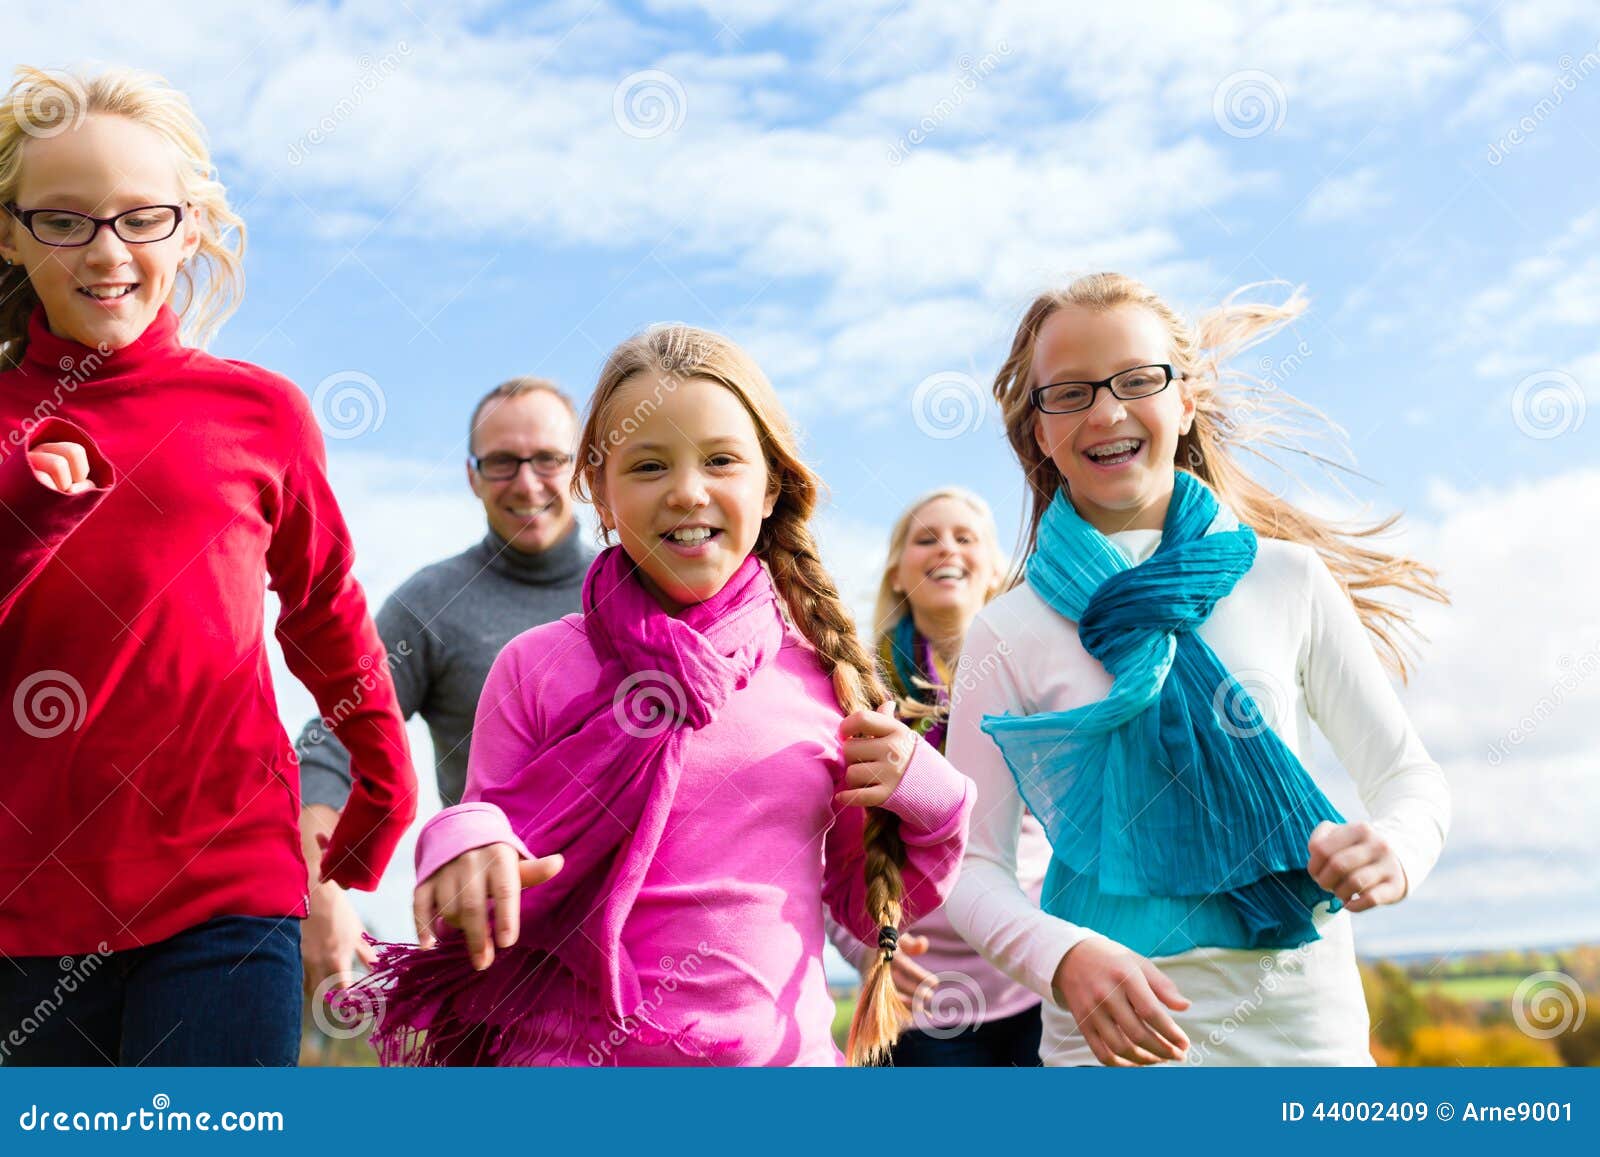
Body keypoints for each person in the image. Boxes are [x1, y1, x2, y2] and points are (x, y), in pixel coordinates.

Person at [336, 324, 974, 1065]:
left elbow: (866, 906)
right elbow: (488, 838)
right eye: (647, 464)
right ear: (600, 497)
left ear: (770, 487)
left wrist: (936, 798)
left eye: (721, 460)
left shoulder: (828, 683)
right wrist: (459, 841)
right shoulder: (534, 666)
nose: (687, 490)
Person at [0, 66, 415, 1066]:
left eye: (141, 218)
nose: (107, 252)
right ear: (10, 233)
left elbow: (321, 605)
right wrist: (24, 510)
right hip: (24, 910)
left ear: (188, 229)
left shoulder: (258, 412)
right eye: (64, 220)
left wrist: (382, 760)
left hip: (225, 880)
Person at [944, 272, 1451, 1066]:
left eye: (1137, 381)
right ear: (1038, 430)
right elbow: (970, 865)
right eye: (1070, 393)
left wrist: (1396, 847)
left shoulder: (1289, 580)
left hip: (1300, 1033)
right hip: (1105, 1048)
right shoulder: (1006, 632)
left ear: (1185, 401)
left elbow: (1409, 779)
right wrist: (1063, 958)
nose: (1107, 412)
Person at [295, 376, 593, 997]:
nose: (528, 482)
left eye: (548, 459)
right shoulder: (431, 604)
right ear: (472, 475)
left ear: (582, 465)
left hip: (643, 932)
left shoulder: (645, 589)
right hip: (494, 948)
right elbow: (335, 745)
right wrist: (321, 892)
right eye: (503, 462)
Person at [826, 487, 1052, 1065]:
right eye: (925, 537)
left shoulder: (1042, 682)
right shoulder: (856, 693)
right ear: (898, 574)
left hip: (1039, 982)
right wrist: (864, 948)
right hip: (919, 998)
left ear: (996, 569)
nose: (945, 547)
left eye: (965, 536)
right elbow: (825, 848)